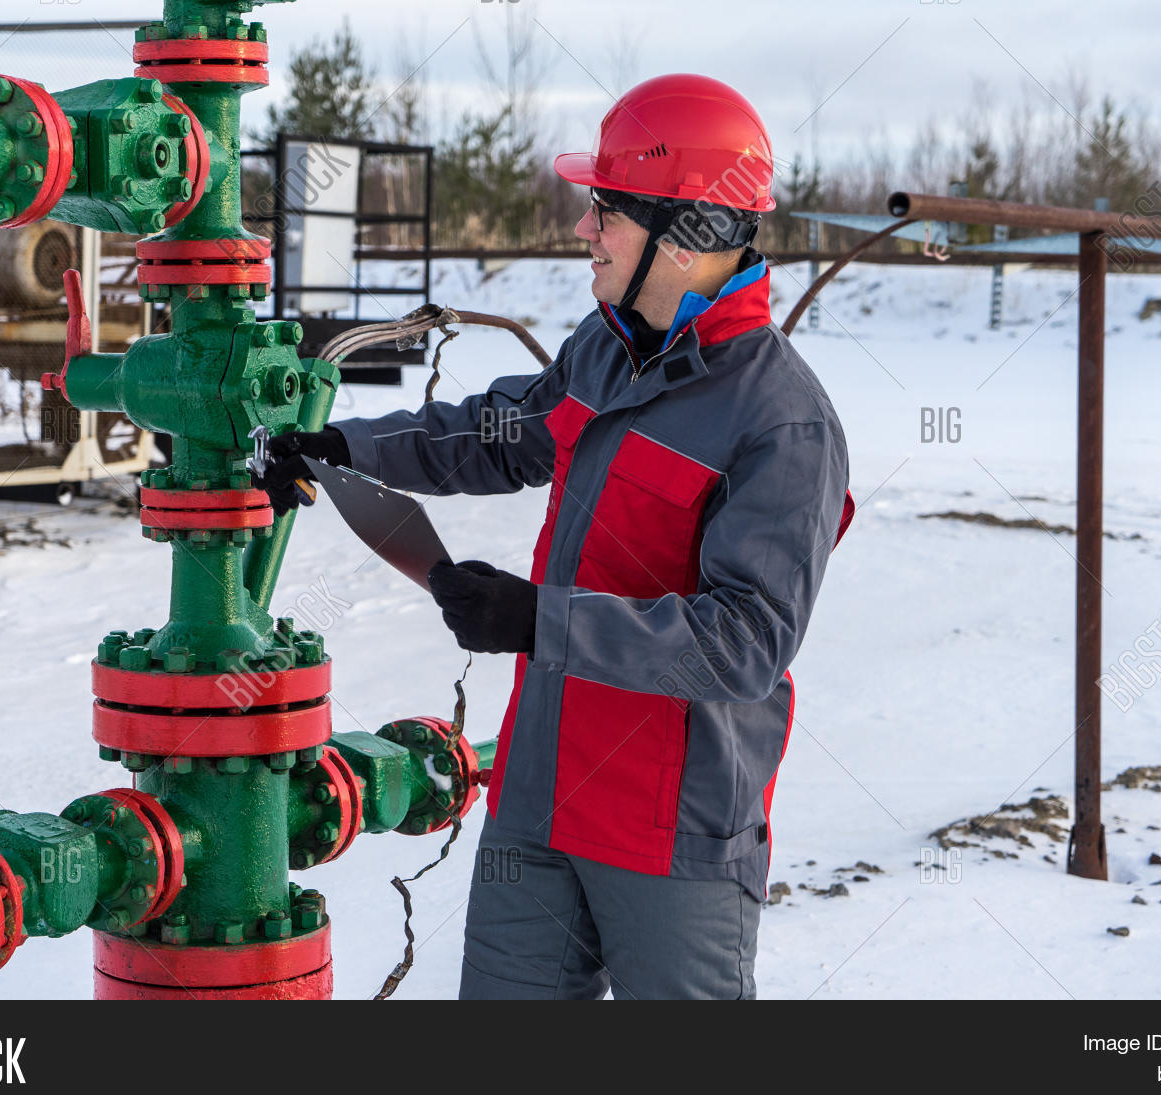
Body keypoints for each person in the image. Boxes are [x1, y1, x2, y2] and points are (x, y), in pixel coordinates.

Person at [256, 74, 853, 999]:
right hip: (536, 805)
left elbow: (745, 643)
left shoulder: (782, 423)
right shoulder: (605, 348)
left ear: (687, 232)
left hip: (672, 835)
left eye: (606, 210)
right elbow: (502, 435)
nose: (585, 230)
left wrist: (540, 620)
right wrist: (345, 447)